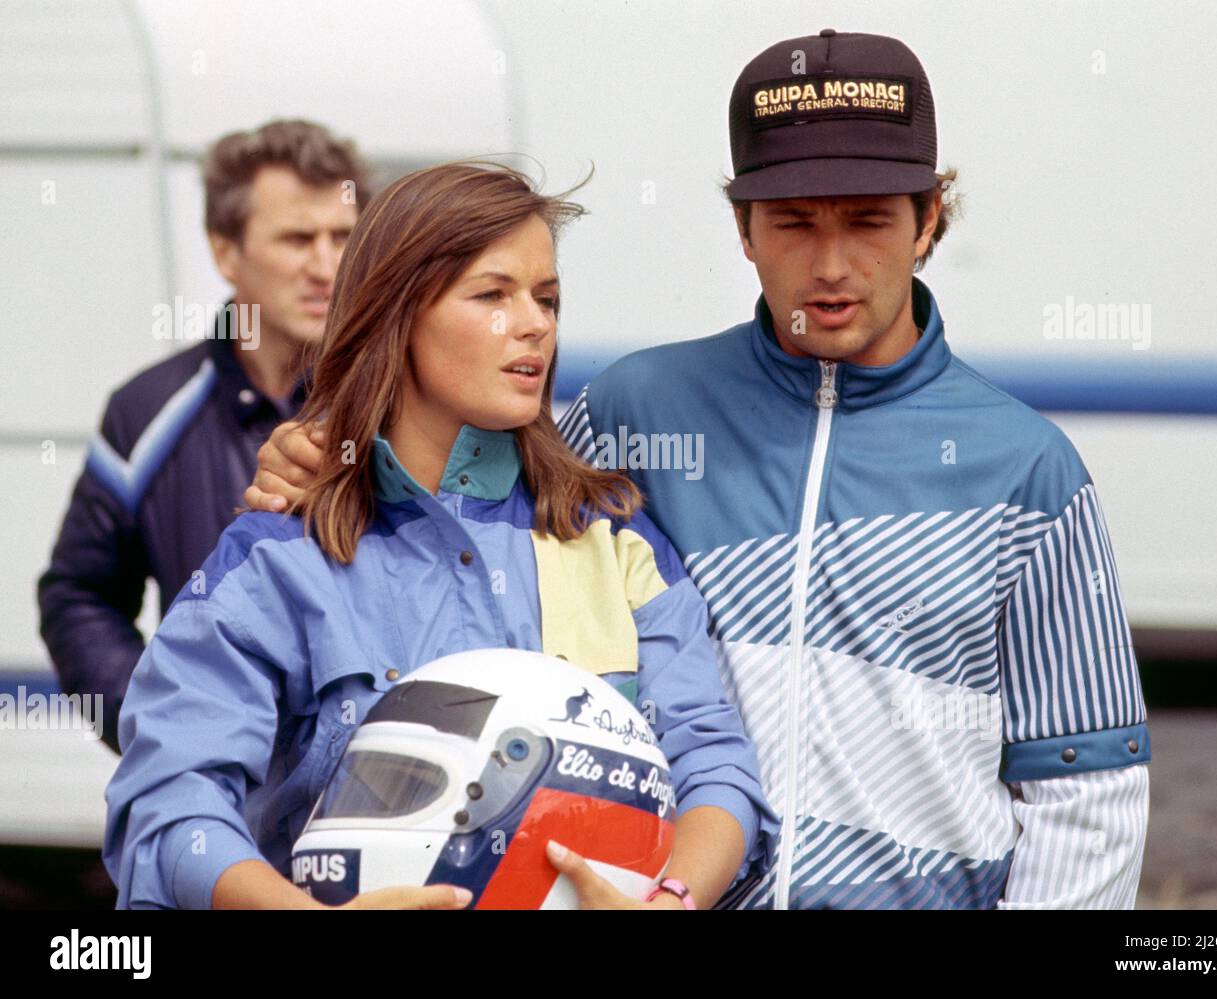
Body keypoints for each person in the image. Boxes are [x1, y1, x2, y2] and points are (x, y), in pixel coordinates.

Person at [248, 31, 1151, 910]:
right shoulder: (636, 410)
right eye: (793, 222)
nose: (830, 264)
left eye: (870, 220)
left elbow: (1086, 786)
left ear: (929, 223)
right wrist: (331, 457)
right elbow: (457, 521)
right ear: (742, 229)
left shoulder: (1029, 468)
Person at [103, 162, 776, 910]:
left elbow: (714, 767)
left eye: (547, 298)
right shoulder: (278, 553)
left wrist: (674, 900)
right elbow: (170, 800)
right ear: (395, 313)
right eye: (493, 294)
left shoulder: (617, 544)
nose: (536, 322)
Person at [38, 119, 369, 752]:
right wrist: (164, 730)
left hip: (376, 808)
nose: (328, 266)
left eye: (345, 237)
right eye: (299, 239)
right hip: (214, 808)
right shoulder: (148, 410)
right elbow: (79, 595)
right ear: (225, 251)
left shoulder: (401, 405)